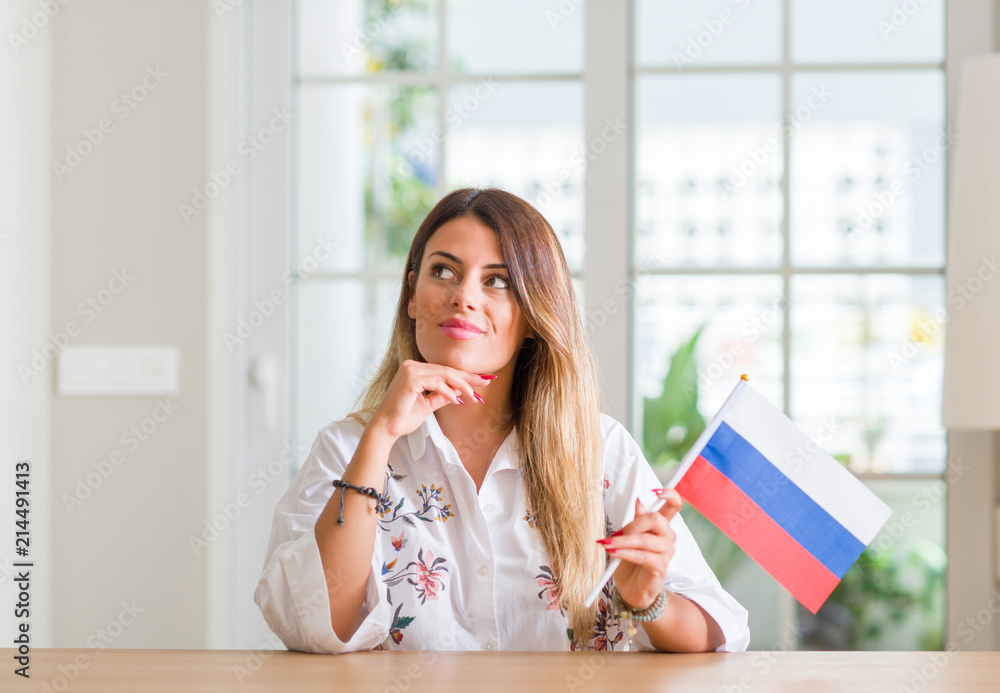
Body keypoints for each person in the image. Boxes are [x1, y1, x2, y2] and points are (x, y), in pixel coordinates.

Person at [254, 188, 749, 653]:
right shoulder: (348, 448)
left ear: (533, 315)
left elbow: (719, 631)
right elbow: (318, 628)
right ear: (411, 294)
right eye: (443, 272)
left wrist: (647, 603)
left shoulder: (599, 449)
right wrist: (380, 436)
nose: (463, 296)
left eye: (497, 281)